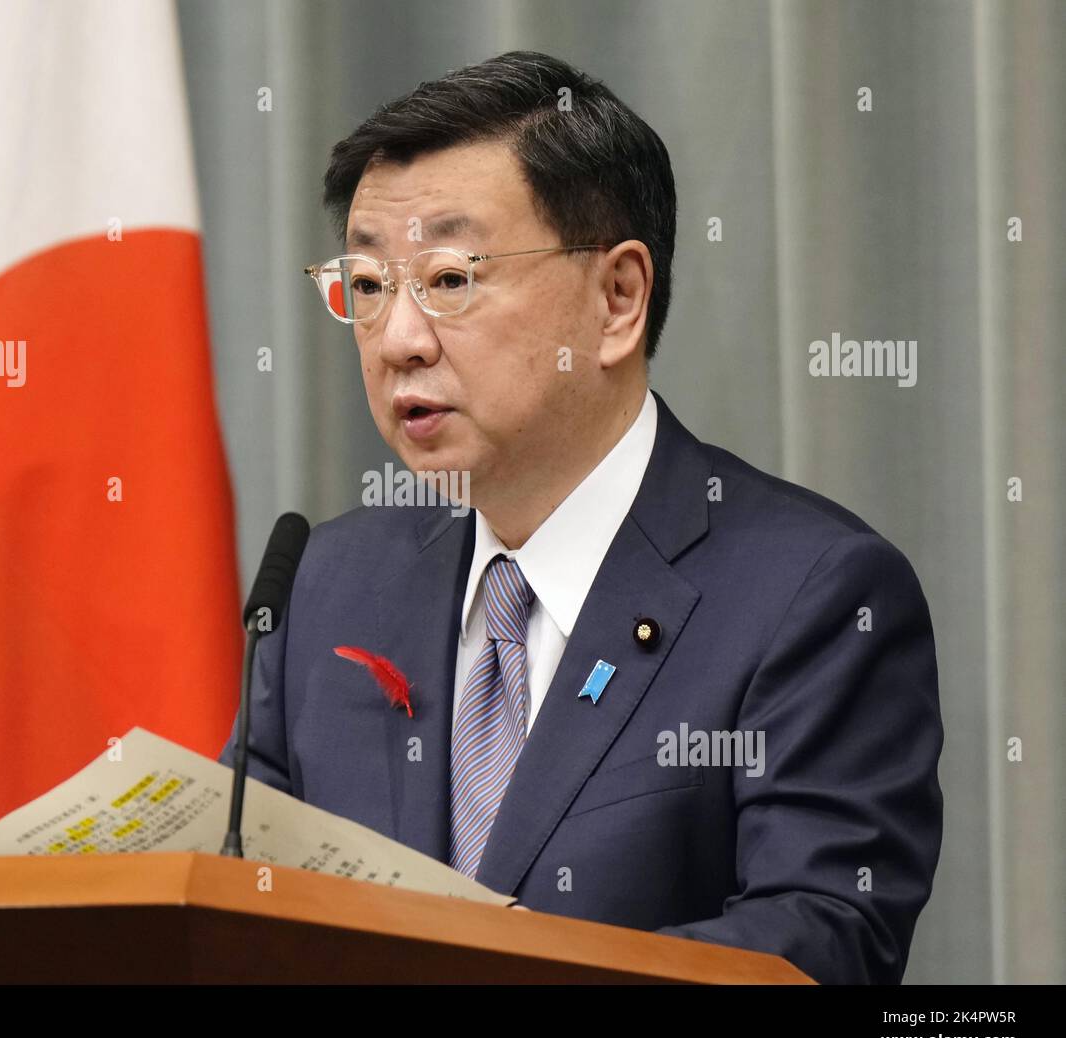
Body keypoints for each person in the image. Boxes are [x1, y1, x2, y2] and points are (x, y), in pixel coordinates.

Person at [219, 50, 943, 986]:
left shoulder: (812, 596)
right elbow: (244, 897)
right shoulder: (328, 584)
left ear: (617, 298)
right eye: (365, 285)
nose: (398, 338)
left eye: (448, 276)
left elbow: (821, 941)